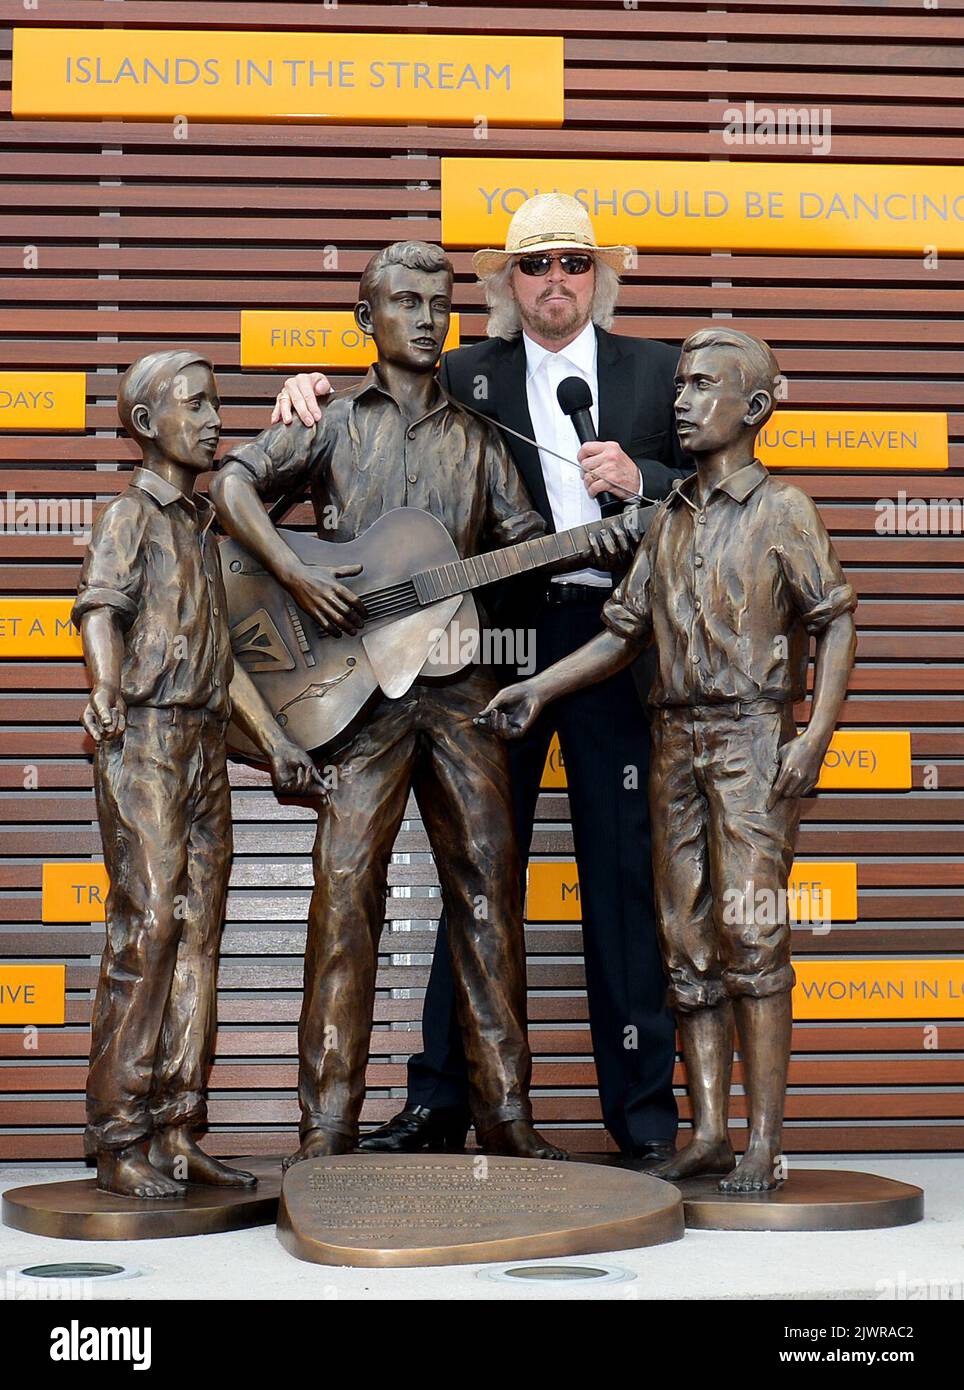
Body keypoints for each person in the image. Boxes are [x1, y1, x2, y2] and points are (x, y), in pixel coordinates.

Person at [274, 194, 688, 1161]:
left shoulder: (661, 370)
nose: (556, 281)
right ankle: (441, 1101)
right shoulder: (461, 371)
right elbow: (372, 396)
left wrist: (647, 481)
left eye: (573, 262)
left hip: (616, 638)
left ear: (600, 275)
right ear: (505, 285)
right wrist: (302, 389)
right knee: (480, 869)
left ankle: (643, 1121)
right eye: (534, 265)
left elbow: (721, 485)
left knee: (624, 878)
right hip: (489, 640)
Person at [211, 241, 623, 1168]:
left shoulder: (480, 437)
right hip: (355, 701)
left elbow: (524, 541)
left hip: (461, 693)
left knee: (489, 894)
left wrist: (583, 540)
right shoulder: (327, 421)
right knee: (342, 894)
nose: (427, 319)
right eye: (405, 302)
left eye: (440, 303)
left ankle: (505, 1114)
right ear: (368, 319)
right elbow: (233, 482)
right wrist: (294, 574)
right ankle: (326, 1126)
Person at [478, 328, 857, 1191]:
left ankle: (763, 1141)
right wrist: (538, 686)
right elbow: (622, 633)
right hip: (673, 742)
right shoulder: (670, 517)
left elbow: (834, 618)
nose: (681, 401)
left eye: (703, 386)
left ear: (754, 408)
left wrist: (814, 735)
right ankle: (711, 1132)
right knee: (684, 941)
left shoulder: (784, 510)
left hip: (752, 739)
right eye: (680, 384)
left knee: (752, 935)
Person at [75, 350, 320, 1200]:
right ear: (147, 424)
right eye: (198, 405)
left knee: (197, 937)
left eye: (217, 404)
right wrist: (105, 686)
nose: (215, 420)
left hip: (205, 747)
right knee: (148, 930)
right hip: (144, 739)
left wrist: (276, 742)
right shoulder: (128, 517)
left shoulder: (205, 533)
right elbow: (100, 609)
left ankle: (177, 1129)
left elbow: (225, 666)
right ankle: (119, 1133)